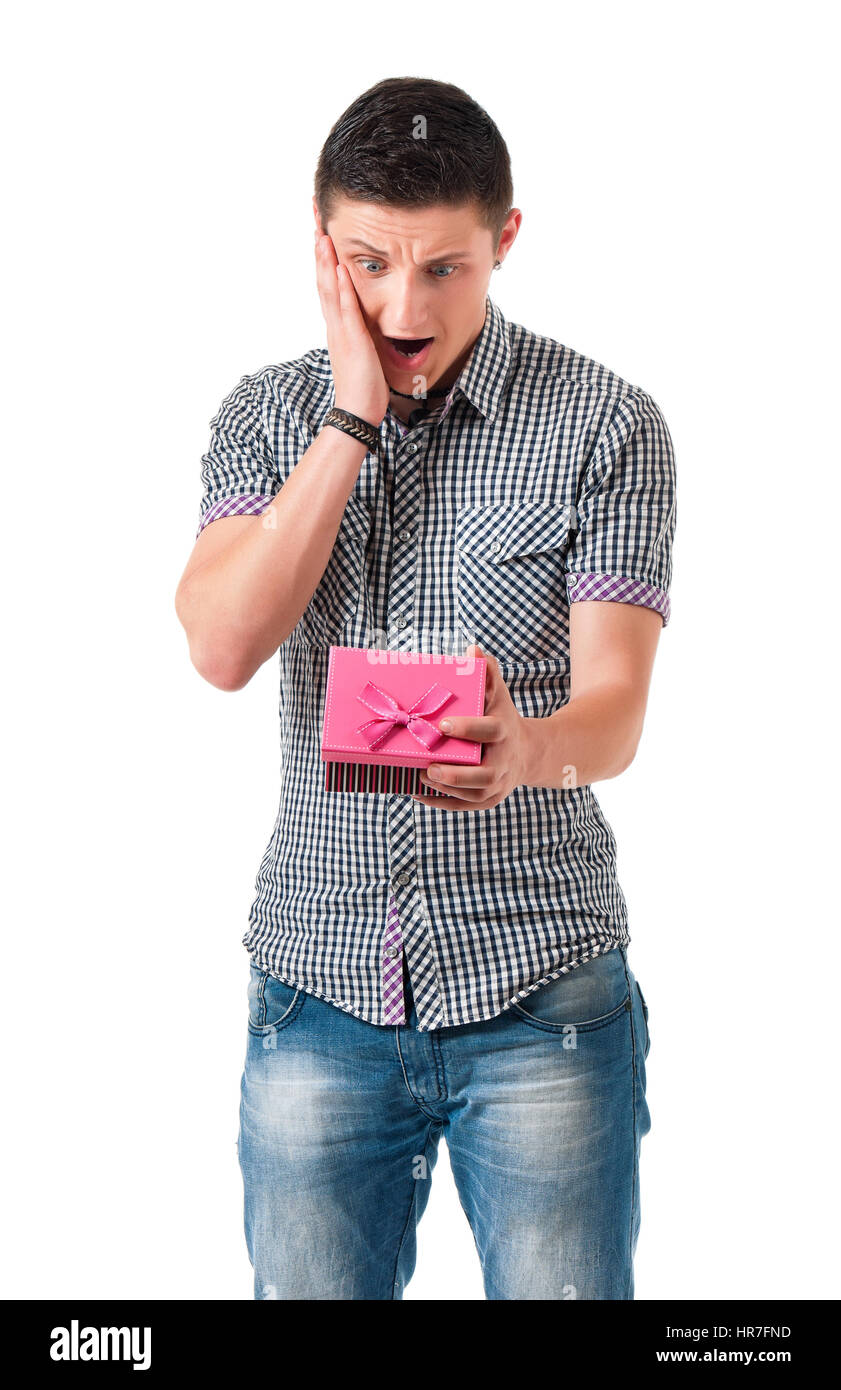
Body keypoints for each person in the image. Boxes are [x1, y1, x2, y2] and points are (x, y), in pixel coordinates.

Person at [175, 76, 675, 1301]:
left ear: (505, 240)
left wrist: (529, 748)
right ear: (320, 244)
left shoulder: (606, 423)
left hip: (540, 995)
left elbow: (615, 708)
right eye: (369, 264)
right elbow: (223, 647)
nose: (403, 307)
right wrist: (349, 416)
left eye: (444, 268)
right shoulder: (263, 417)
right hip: (318, 990)